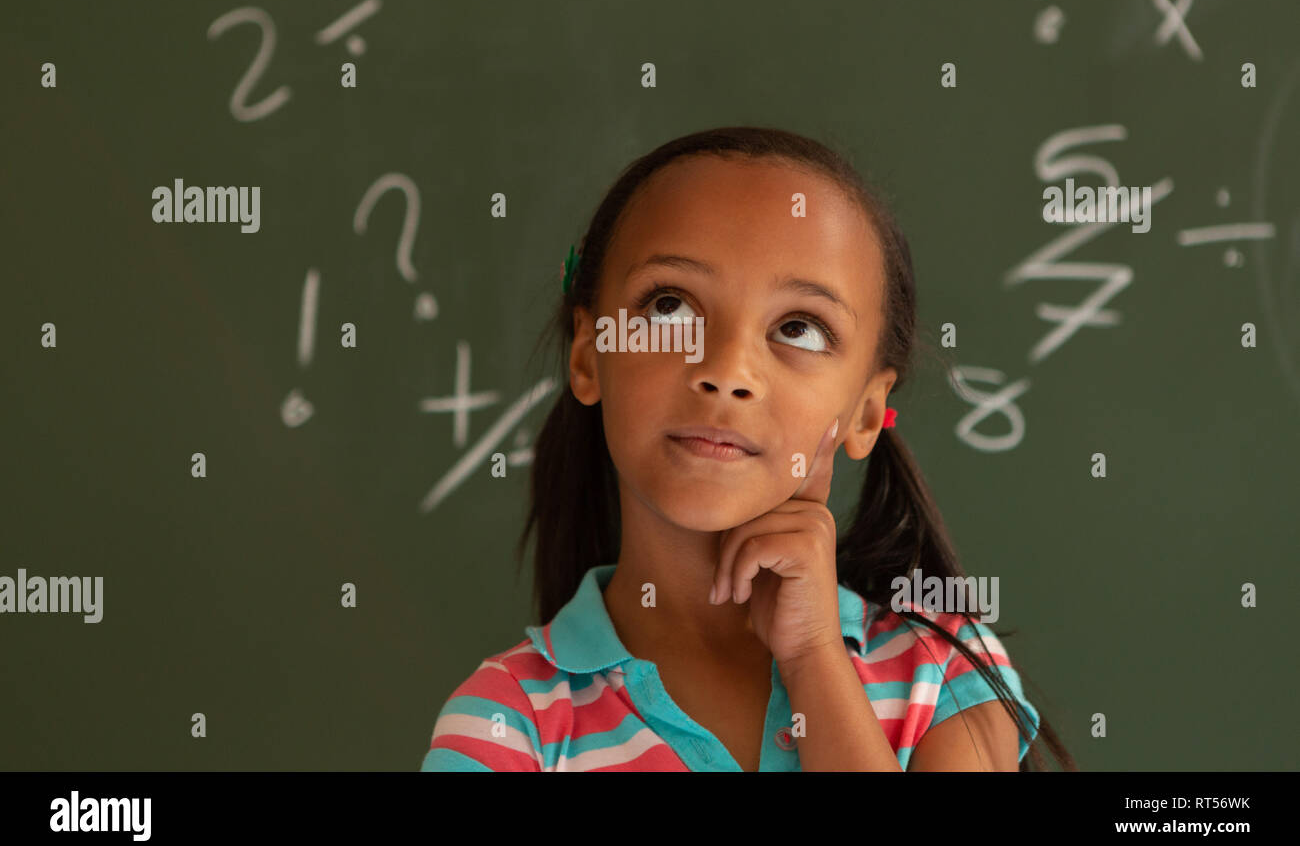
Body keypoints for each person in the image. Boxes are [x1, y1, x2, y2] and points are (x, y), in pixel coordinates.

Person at [421, 126, 1075, 771]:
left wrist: (813, 656)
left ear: (867, 412)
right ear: (591, 354)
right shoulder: (506, 725)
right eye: (670, 307)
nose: (728, 370)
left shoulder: (945, 675)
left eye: (799, 328)